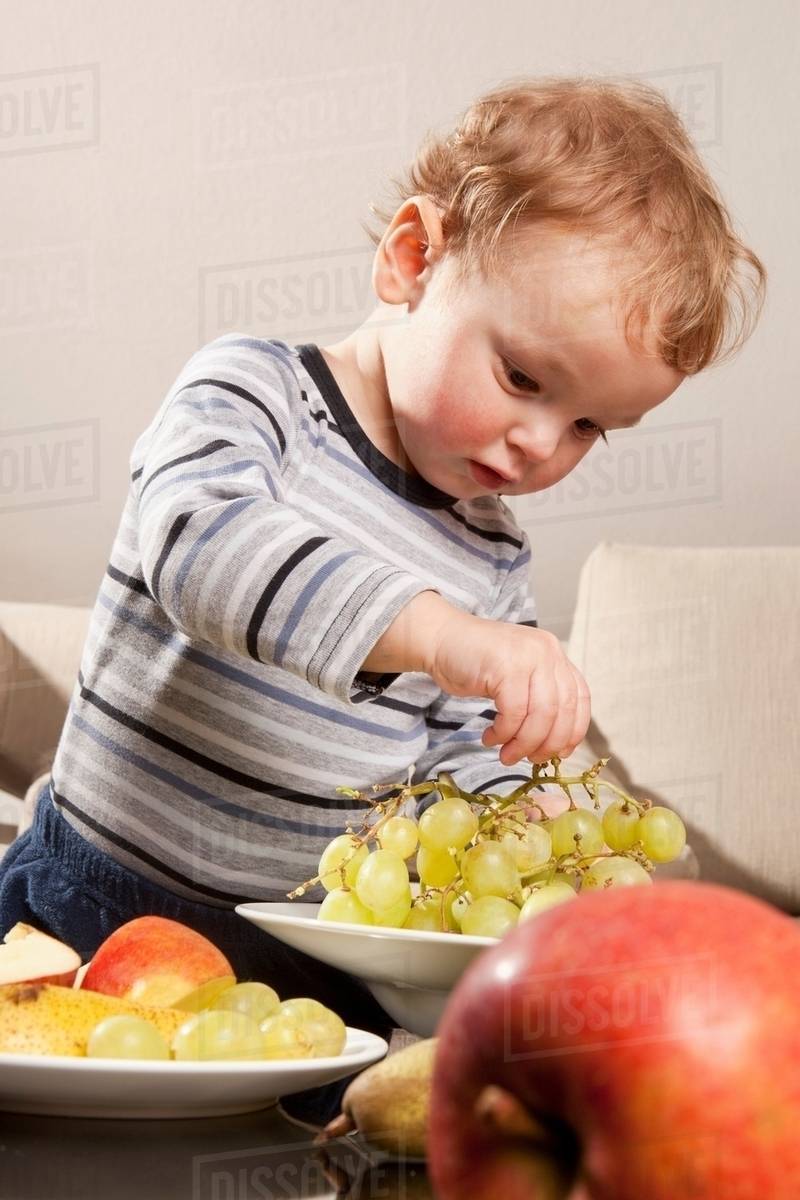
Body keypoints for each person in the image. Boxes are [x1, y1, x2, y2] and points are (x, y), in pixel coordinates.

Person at [0, 75, 765, 1123]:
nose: (540, 445)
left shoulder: (492, 556)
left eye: (590, 427)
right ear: (413, 258)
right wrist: (443, 636)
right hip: (92, 911)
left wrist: (512, 801)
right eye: (524, 380)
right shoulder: (253, 394)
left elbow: (441, 768)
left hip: (302, 976)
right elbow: (202, 551)